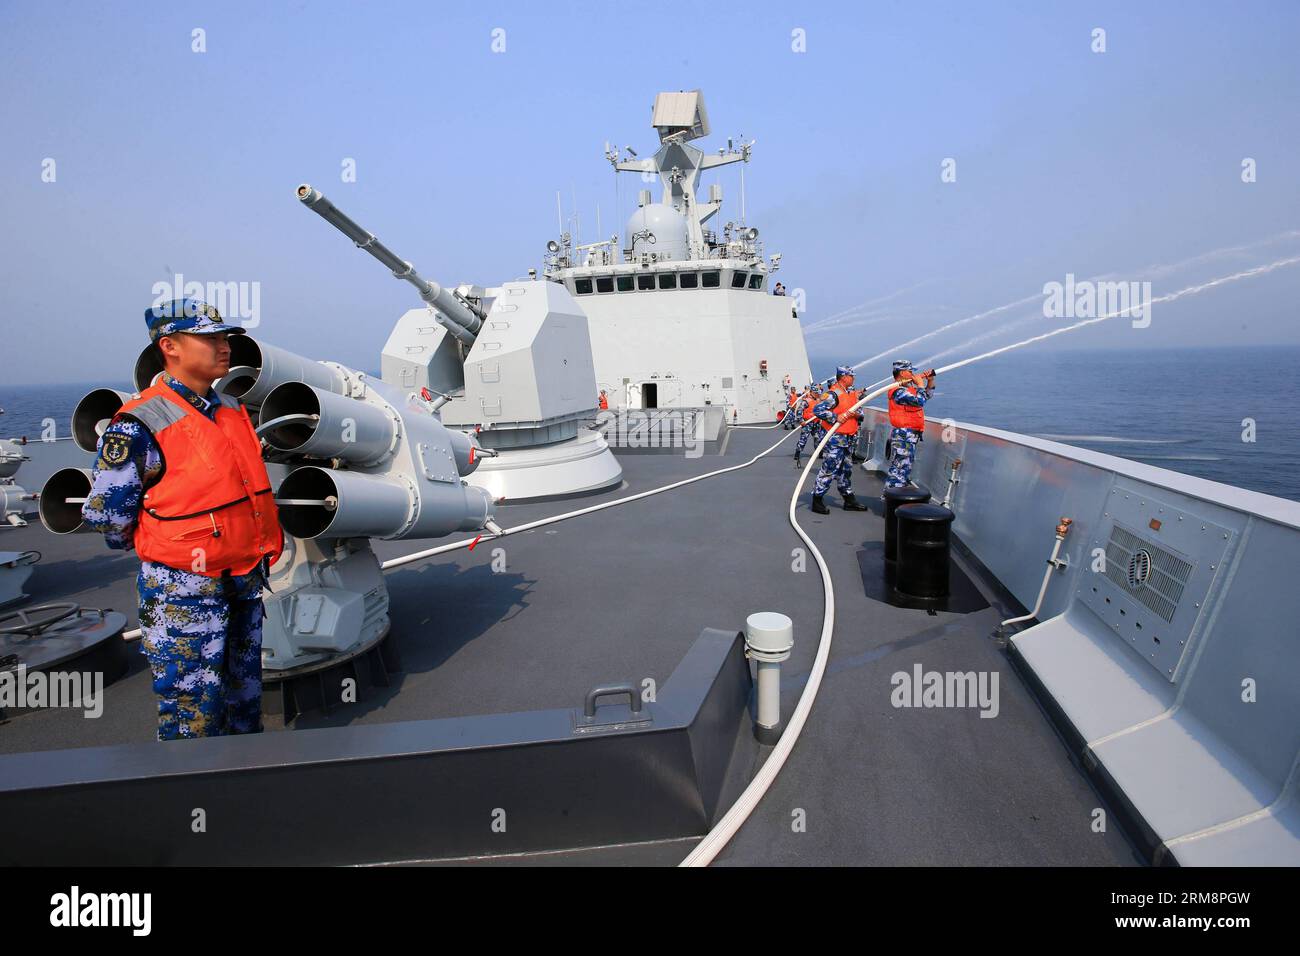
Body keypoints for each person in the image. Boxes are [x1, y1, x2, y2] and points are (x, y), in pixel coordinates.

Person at [81, 298, 282, 740]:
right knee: (191, 716)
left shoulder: (230, 408)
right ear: (170, 346)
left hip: (243, 582)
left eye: (224, 336)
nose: (224, 345)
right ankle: (192, 805)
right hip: (184, 595)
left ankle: (241, 790)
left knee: (244, 706)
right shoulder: (139, 422)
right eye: (209, 338)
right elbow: (109, 515)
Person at [809, 366, 868, 513]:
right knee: (829, 468)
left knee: (846, 469)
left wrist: (856, 415)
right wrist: (835, 417)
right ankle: (817, 499)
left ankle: (848, 499)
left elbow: (860, 414)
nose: (853, 378)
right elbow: (817, 410)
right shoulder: (833, 394)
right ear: (843, 377)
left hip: (848, 438)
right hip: (835, 439)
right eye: (851, 376)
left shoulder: (851, 394)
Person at [885, 360, 936, 489]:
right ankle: (891, 499)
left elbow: (927, 395)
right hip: (903, 435)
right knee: (899, 469)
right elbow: (919, 401)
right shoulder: (898, 391)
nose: (913, 374)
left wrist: (929, 381)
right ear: (902, 373)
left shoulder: (908, 389)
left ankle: (893, 496)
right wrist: (920, 384)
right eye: (910, 371)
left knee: (903, 468)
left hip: (909, 436)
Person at [792, 382, 822, 467]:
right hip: (807, 423)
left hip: (815, 424)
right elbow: (799, 411)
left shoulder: (818, 401)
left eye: (818, 393)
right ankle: (797, 453)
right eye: (816, 393)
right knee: (803, 439)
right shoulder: (806, 401)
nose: (817, 395)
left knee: (817, 438)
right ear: (812, 392)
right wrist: (801, 420)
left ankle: (819, 453)